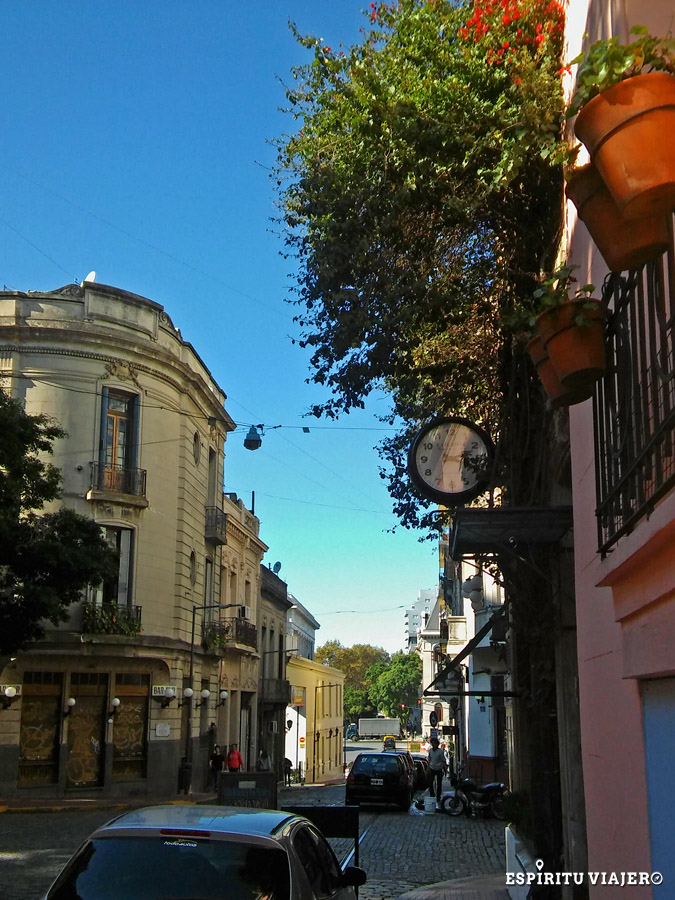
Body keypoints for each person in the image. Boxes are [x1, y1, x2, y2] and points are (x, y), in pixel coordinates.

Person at [427, 737, 446, 808]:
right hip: (432, 768)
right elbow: (429, 759)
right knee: (430, 782)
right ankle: (432, 795)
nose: (433, 744)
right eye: (432, 743)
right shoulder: (430, 751)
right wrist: (428, 768)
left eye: (435, 743)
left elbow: (443, 760)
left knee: (439, 783)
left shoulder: (440, 752)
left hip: (439, 769)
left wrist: (445, 769)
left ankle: (438, 797)